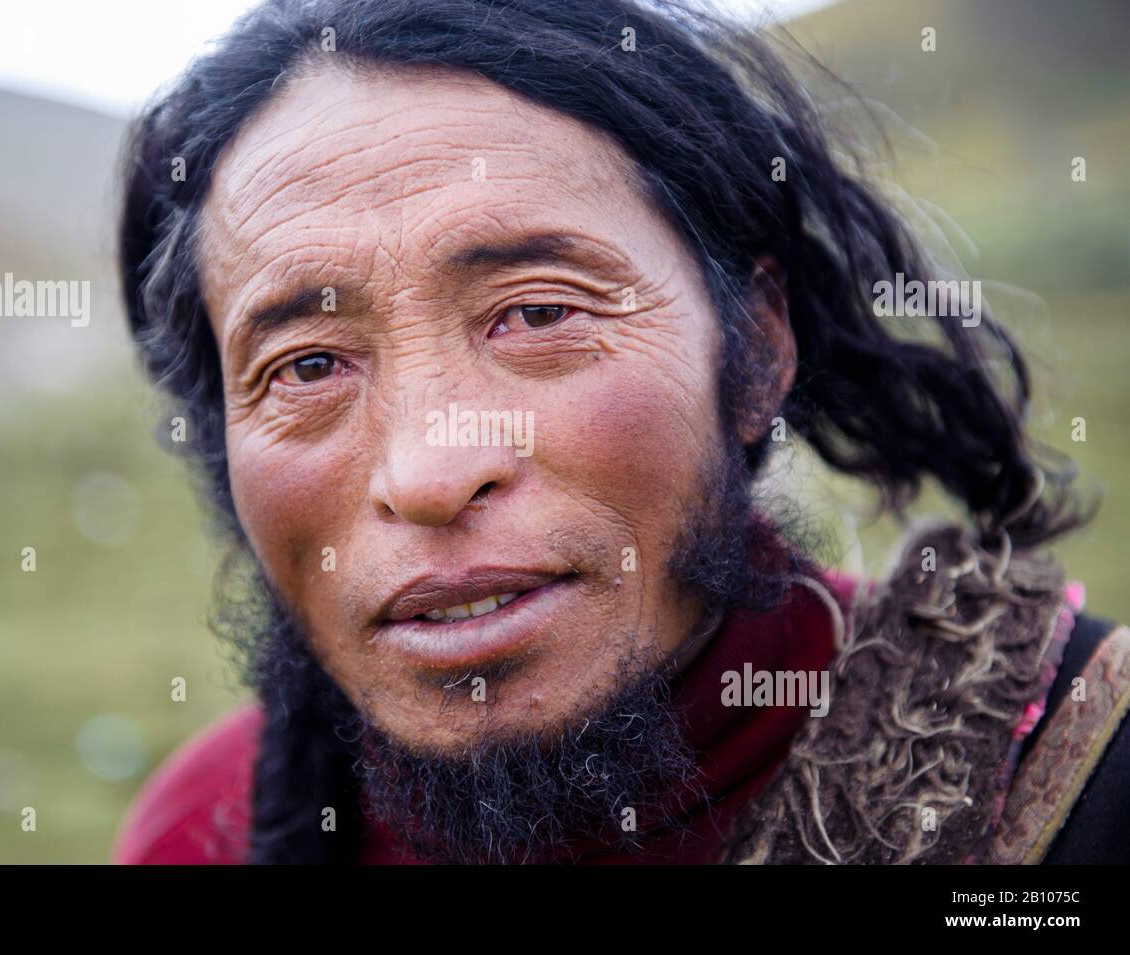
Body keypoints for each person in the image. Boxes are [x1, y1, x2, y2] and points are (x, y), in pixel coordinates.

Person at [112, 0, 1129, 864]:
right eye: (307, 366)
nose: (428, 473)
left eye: (538, 312)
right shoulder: (198, 831)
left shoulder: (1088, 776)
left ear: (756, 349)